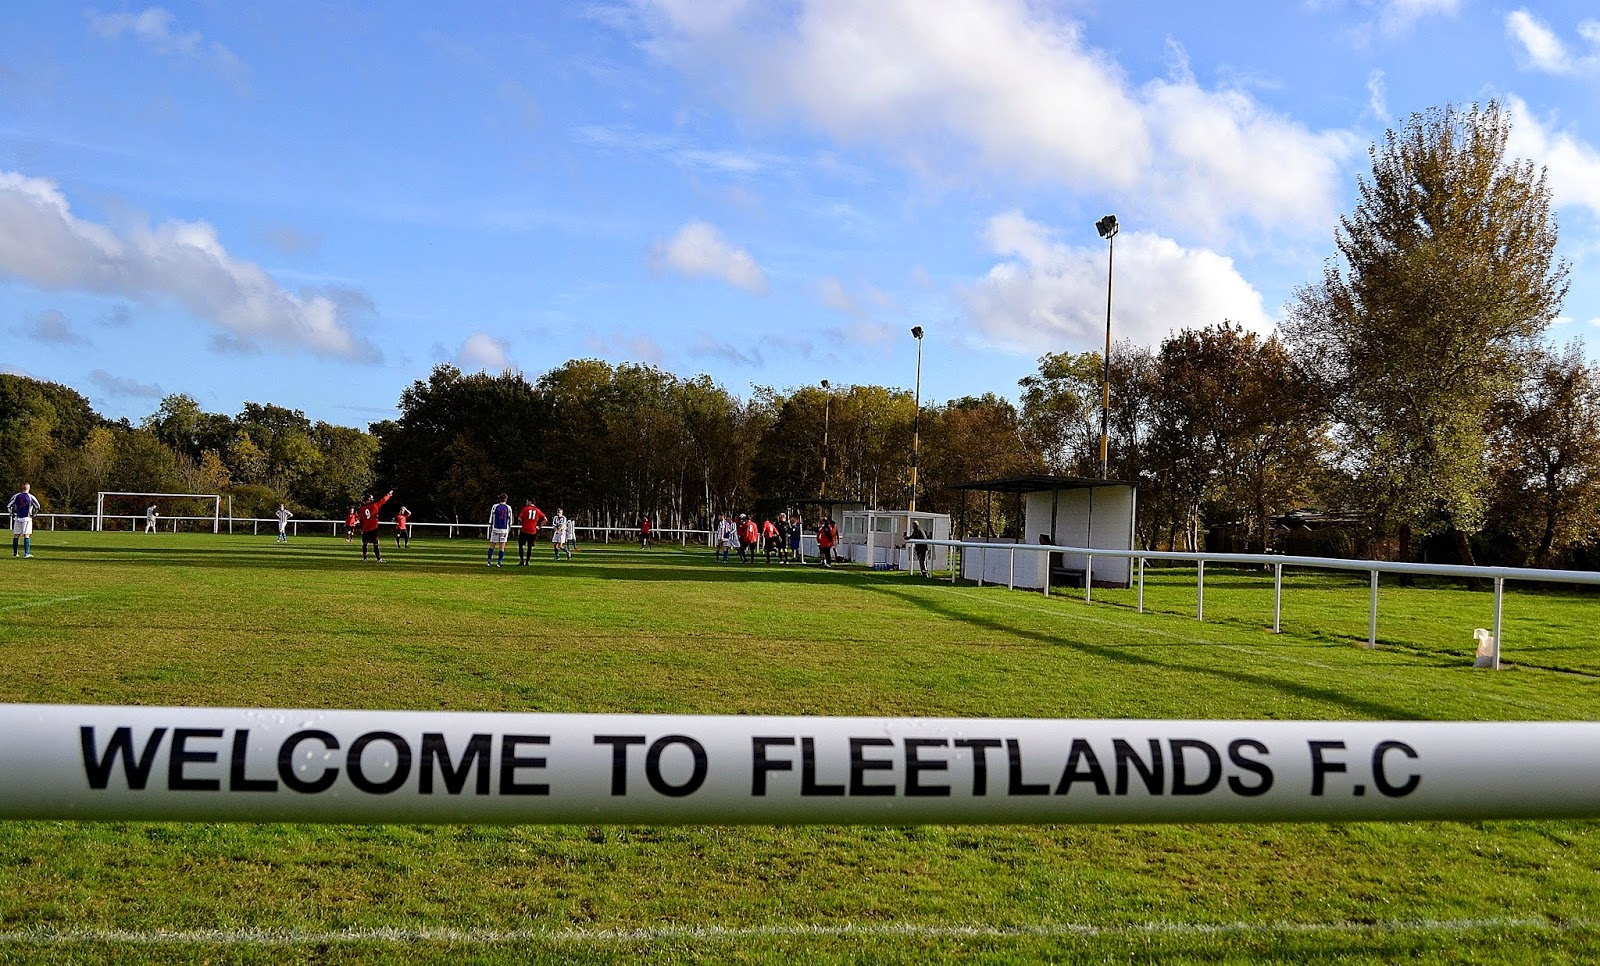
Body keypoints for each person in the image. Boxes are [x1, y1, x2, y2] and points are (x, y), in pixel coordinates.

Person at [358, 489, 392, 562]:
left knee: (364, 544)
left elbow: (361, 520)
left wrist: (361, 528)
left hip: (365, 528)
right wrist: (388, 495)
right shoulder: (374, 506)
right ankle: (378, 559)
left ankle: (364, 558)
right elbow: (383, 500)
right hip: (373, 528)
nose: (373, 499)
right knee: (375, 544)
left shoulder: (361, 509)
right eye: (372, 498)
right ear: (369, 499)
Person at [8, 483, 41, 558]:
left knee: (16, 535)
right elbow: (38, 506)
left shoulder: (16, 496)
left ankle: (15, 553)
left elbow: (9, 506)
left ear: (22, 488)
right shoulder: (31, 496)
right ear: (29, 488)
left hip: (17, 517)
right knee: (26, 535)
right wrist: (34, 514)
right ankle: (26, 553)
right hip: (27, 518)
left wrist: (12, 514)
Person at [517, 499, 546, 565]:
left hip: (524, 530)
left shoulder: (525, 509)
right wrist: (539, 526)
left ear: (530, 502)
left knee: (520, 545)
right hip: (533, 531)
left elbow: (519, 519)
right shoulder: (538, 510)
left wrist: (521, 522)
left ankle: (522, 560)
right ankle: (527, 561)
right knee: (529, 547)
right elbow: (545, 519)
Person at [487, 493, 513, 568]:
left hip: (495, 528)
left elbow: (491, 518)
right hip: (504, 530)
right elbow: (510, 520)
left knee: (492, 545)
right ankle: (499, 562)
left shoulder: (495, 506)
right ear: (506, 499)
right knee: (502, 546)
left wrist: (491, 526)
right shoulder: (508, 507)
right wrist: (509, 528)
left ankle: (489, 561)